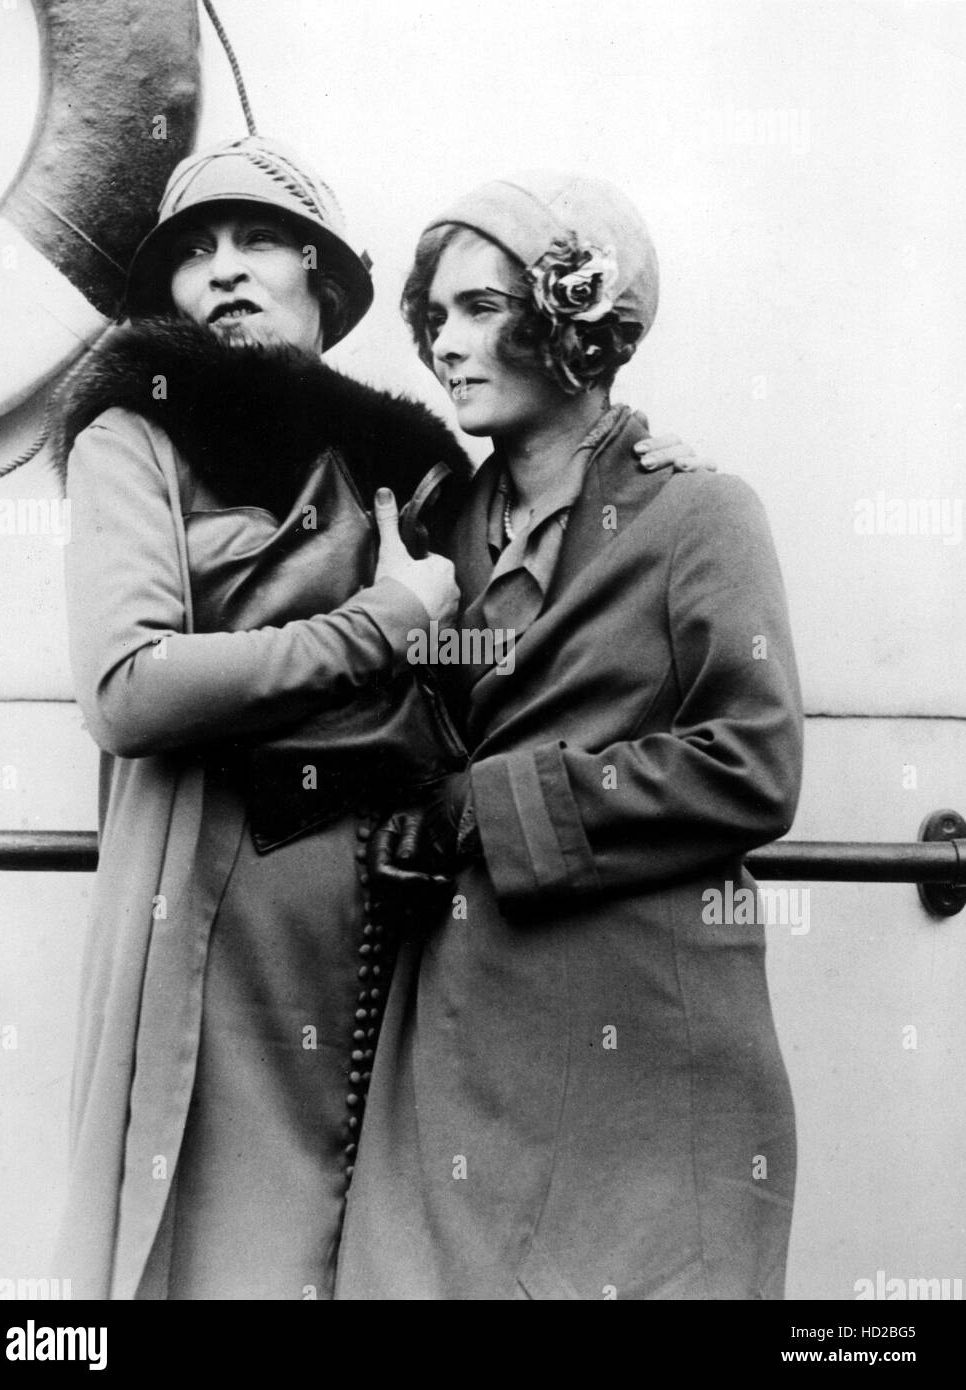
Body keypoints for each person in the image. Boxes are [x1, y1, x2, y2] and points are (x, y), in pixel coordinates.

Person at [52, 139, 700, 1300]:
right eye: (194, 255)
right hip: (205, 909)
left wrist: (641, 463)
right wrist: (384, 615)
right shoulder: (131, 438)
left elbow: (529, 578)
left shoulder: (407, 461)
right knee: (208, 1247)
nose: (228, 271)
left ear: (326, 283)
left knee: (364, 1247)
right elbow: (131, 689)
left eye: (262, 241)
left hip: (388, 917)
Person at [335, 173, 804, 1300]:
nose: (444, 344)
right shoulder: (433, 526)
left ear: (572, 325)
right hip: (455, 1024)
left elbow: (754, 765)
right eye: (434, 314)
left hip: (641, 1042)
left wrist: (491, 806)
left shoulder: (698, 511)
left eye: (482, 309)